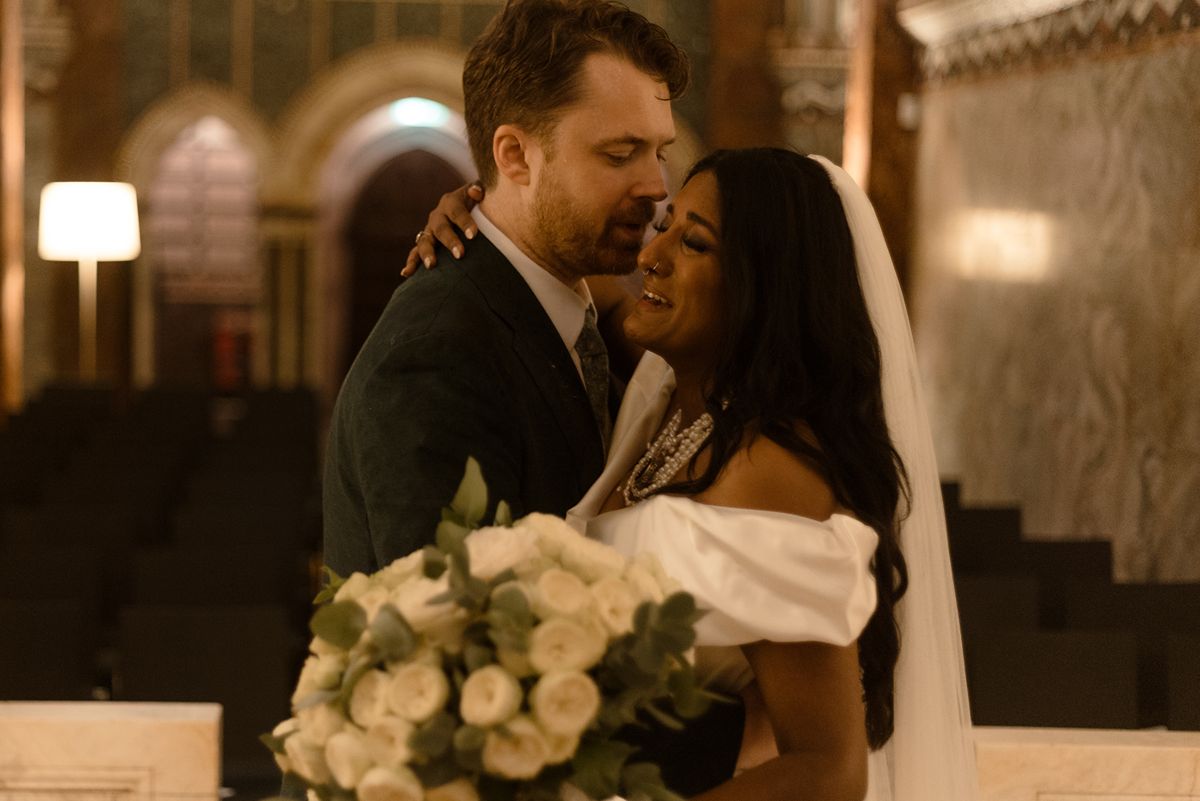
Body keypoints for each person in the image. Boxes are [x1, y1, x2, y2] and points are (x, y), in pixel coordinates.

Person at [410, 149, 979, 800]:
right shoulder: (663, 411)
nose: (653, 255)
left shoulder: (770, 468)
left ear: (766, 288)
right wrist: (479, 226)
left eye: (696, 242)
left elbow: (827, 768)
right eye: (667, 226)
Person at [323, 0, 686, 576]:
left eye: (659, 152)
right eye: (620, 154)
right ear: (514, 155)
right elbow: (455, 626)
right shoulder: (436, 353)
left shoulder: (587, 321)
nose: (655, 186)